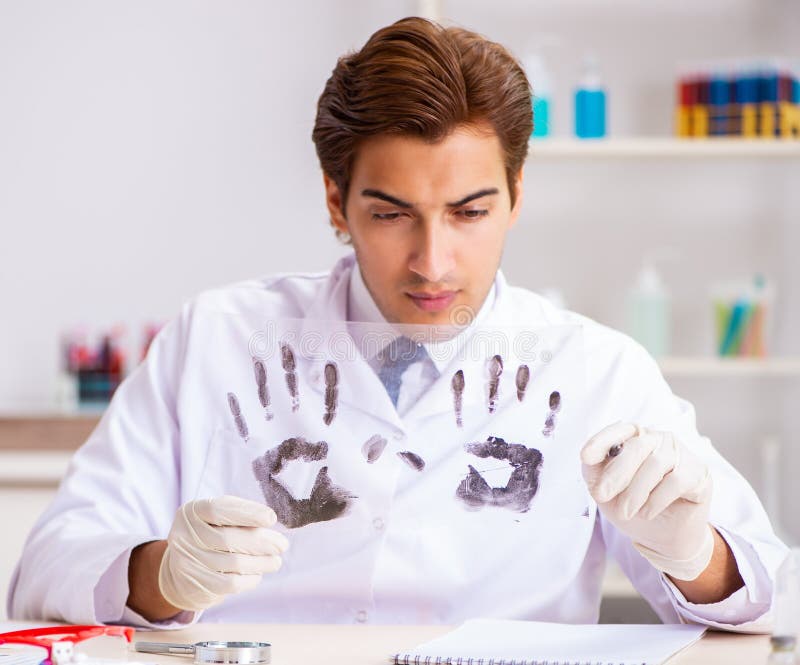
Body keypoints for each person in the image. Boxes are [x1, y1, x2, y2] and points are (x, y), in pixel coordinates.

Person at [8, 16, 786, 630]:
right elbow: (43, 570)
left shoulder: (596, 371)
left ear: (517, 195)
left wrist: (696, 555)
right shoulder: (216, 339)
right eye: (390, 214)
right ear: (335, 200)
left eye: (470, 212)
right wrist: (161, 574)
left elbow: (776, 594)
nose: (433, 262)